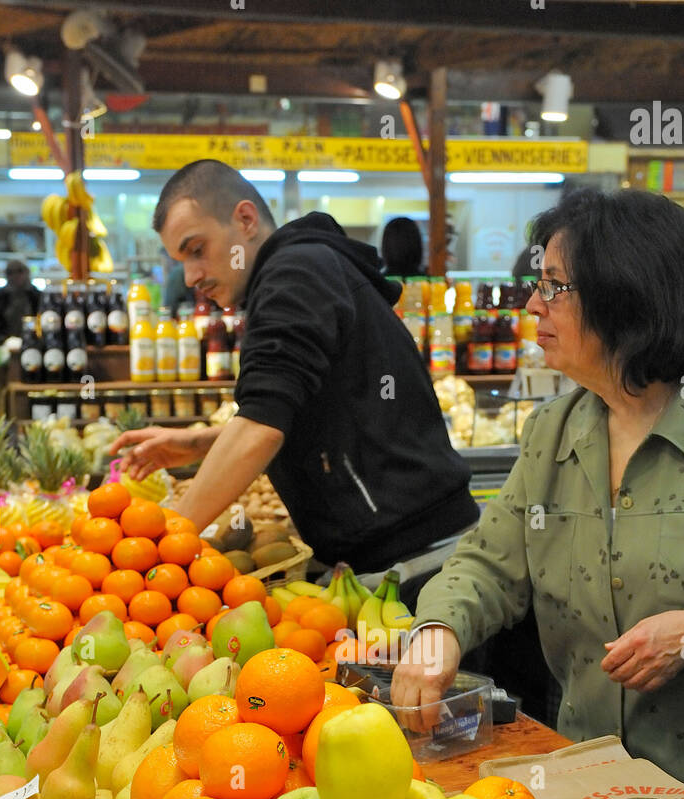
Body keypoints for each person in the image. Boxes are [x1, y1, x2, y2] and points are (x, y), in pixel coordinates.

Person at [392, 187, 684, 799]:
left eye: (554, 287)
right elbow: (489, 561)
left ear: (626, 298)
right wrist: (440, 629)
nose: (532, 305)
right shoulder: (555, 429)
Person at [111, 161, 477, 578]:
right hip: (409, 546)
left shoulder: (293, 275)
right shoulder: (303, 267)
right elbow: (305, 414)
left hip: (415, 559)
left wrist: (164, 546)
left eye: (197, 250)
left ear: (245, 219)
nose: (192, 276)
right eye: (180, 260)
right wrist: (200, 444)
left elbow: (262, 426)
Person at [0, 260, 40, 344]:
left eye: (19, 271)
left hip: (32, 342)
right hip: (7, 343)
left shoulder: (35, 295)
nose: (15, 276)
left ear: (27, 273)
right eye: (10, 273)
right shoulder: (1, 296)